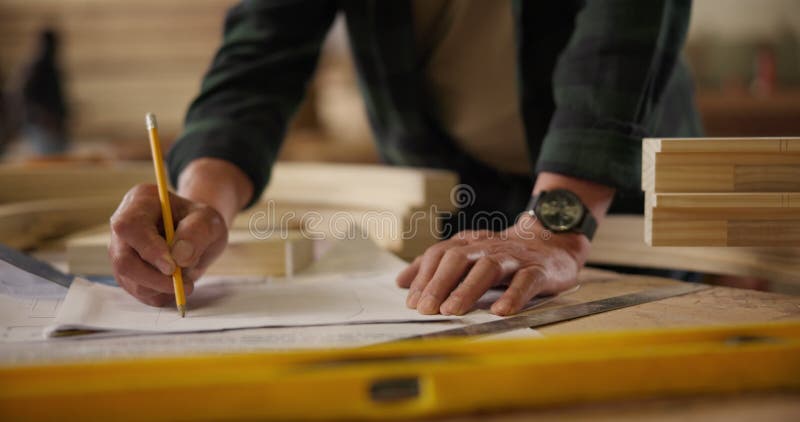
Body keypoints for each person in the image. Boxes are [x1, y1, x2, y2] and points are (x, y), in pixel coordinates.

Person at [109, 0, 701, 316]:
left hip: (608, 188)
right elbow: (259, 61)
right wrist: (204, 203)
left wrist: (555, 229)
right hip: (462, 193)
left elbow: (622, 39)